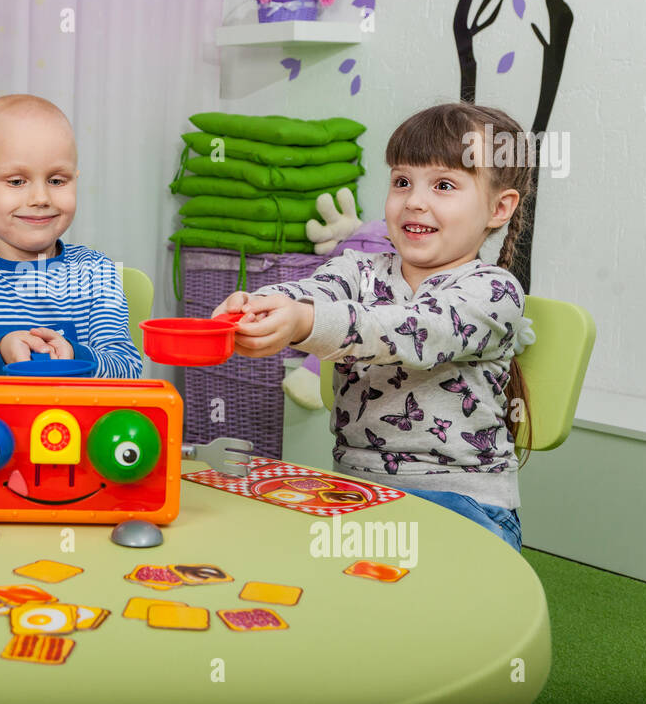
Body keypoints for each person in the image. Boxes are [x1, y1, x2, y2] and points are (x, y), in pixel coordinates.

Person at [215, 102, 535, 551]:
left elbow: (413, 331)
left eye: (443, 185)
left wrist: (305, 322)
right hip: (355, 491)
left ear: (499, 208)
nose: (414, 201)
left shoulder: (494, 292)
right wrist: (262, 307)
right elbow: (313, 291)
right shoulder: (359, 268)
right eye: (402, 182)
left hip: (461, 501)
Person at [0, 94, 142, 398]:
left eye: (57, 180)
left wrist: (78, 356)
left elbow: (129, 370)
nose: (40, 198)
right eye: (15, 181)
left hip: (80, 438)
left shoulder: (96, 270)